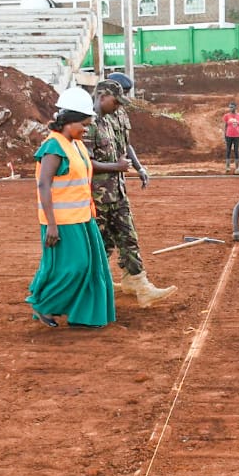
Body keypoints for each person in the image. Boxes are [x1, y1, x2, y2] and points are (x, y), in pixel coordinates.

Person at [27, 87, 122, 328]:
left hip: (83, 217)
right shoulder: (53, 148)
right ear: (69, 122)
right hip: (63, 221)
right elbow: (44, 186)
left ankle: (84, 316)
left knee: (92, 267)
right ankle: (43, 304)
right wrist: (51, 224)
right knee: (74, 267)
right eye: (84, 124)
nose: (87, 129)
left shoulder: (76, 144)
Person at [88, 80, 175, 307]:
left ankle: (139, 283)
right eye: (118, 99)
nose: (119, 105)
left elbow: (125, 146)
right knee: (102, 244)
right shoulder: (88, 123)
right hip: (96, 197)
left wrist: (138, 167)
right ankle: (96, 287)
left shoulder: (113, 117)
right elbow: (84, 162)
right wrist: (115, 167)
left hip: (117, 191)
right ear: (103, 96)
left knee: (129, 237)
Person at [222, 101, 239, 173]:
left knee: (236, 151)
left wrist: (237, 130)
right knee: (228, 150)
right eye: (230, 107)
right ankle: (227, 167)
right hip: (228, 135)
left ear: (235, 107)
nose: (230, 108)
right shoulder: (227, 116)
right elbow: (226, 126)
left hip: (237, 136)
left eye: (232, 107)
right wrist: (225, 135)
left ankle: (237, 167)